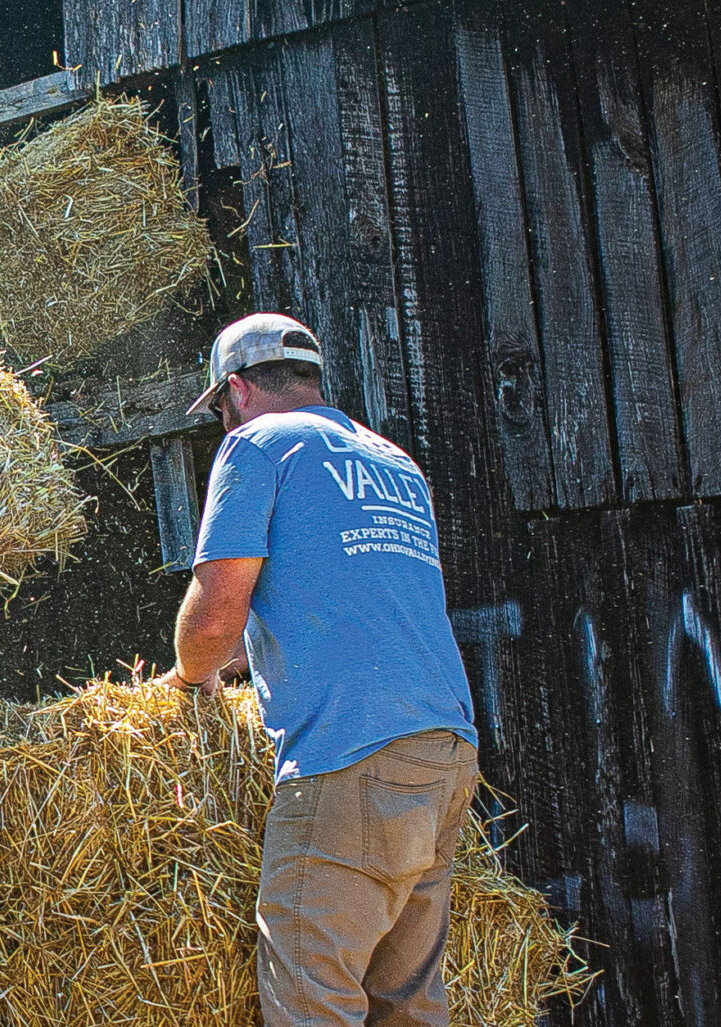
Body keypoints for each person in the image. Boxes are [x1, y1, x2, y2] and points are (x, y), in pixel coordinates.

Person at [149, 313, 480, 1026]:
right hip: (444, 754)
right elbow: (357, 607)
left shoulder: (255, 445)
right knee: (409, 1006)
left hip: (350, 756)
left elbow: (212, 618)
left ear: (235, 389)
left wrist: (189, 679)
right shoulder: (394, 463)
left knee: (312, 1000)